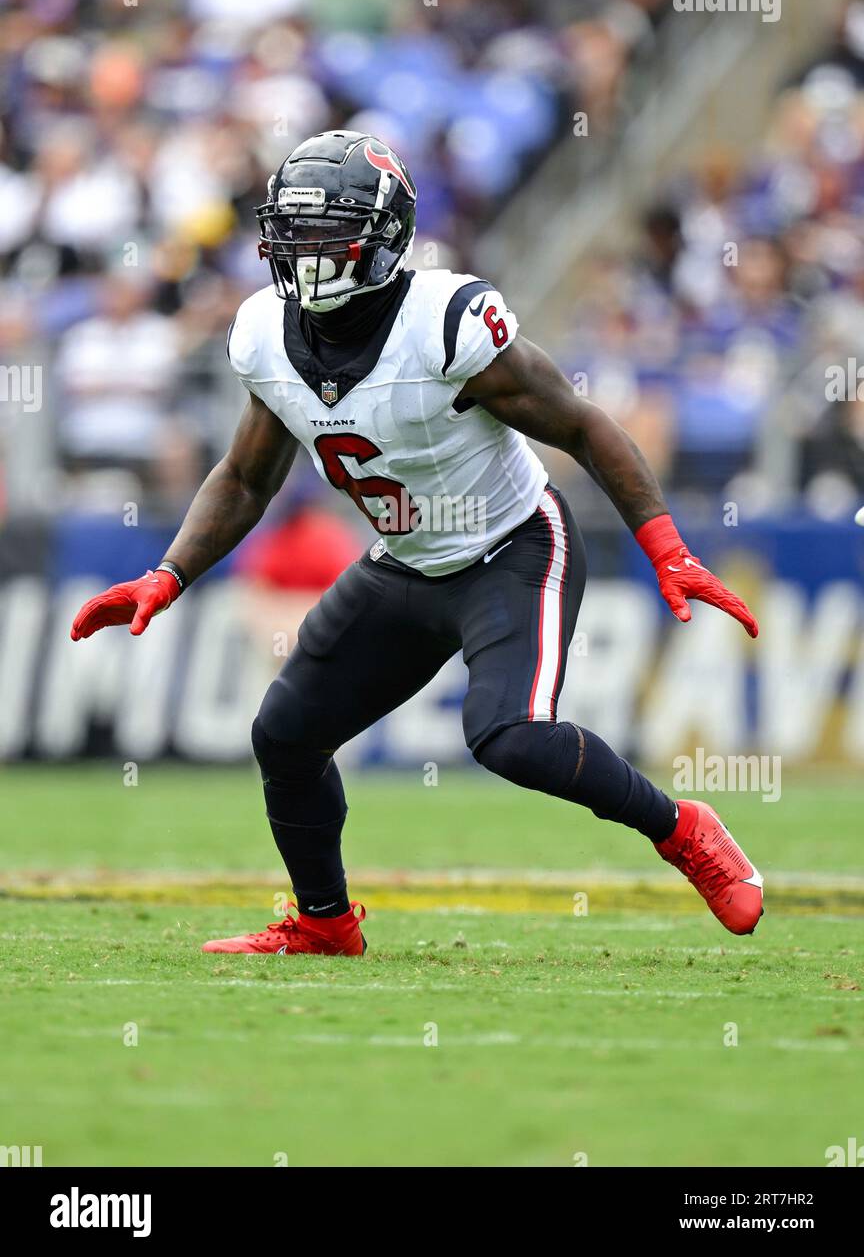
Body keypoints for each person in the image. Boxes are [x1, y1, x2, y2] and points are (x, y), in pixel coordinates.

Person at [71, 130, 763, 957]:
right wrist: (168, 572)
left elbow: (583, 427)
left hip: (513, 545)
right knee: (285, 733)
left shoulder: (444, 322)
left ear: (384, 235)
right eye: (293, 230)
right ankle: (325, 922)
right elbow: (246, 476)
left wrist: (667, 548)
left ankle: (682, 829)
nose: (305, 252)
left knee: (511, 738)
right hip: (407, 562)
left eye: (327, 231)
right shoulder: (262, 331)